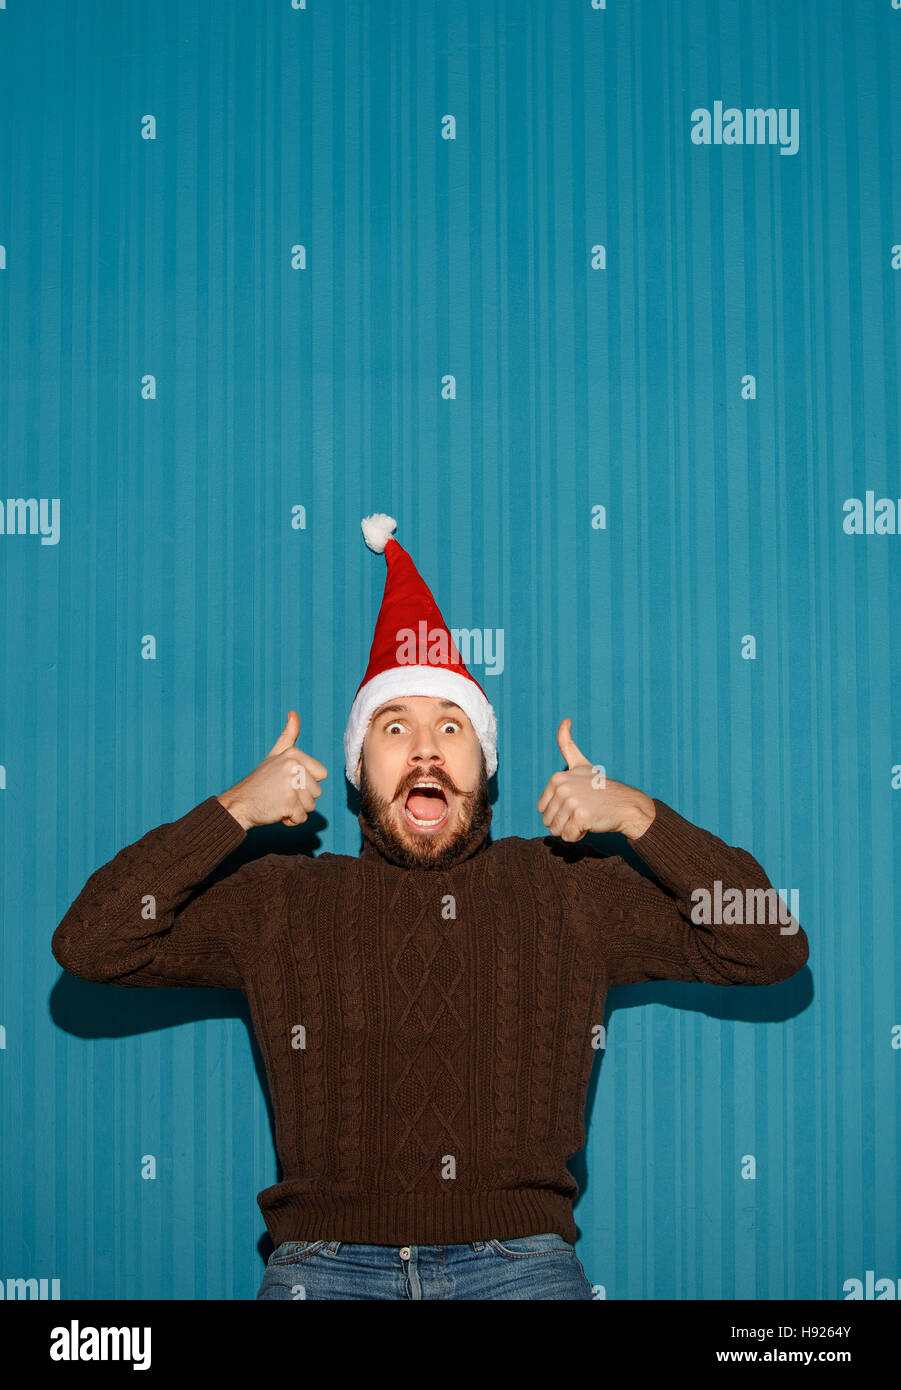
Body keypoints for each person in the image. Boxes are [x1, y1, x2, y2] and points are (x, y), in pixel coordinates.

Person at [52, 514, 809, 1301]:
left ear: (482, 767)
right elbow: (92, 944)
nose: (424, 750)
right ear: (356, 769)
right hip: (322, 1267)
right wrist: (233, 810)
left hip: (522, 1265)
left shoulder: (564, 889)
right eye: (393, 727)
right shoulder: (282, 898)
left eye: (450, 727)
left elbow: (771, 943)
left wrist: (638, 816)